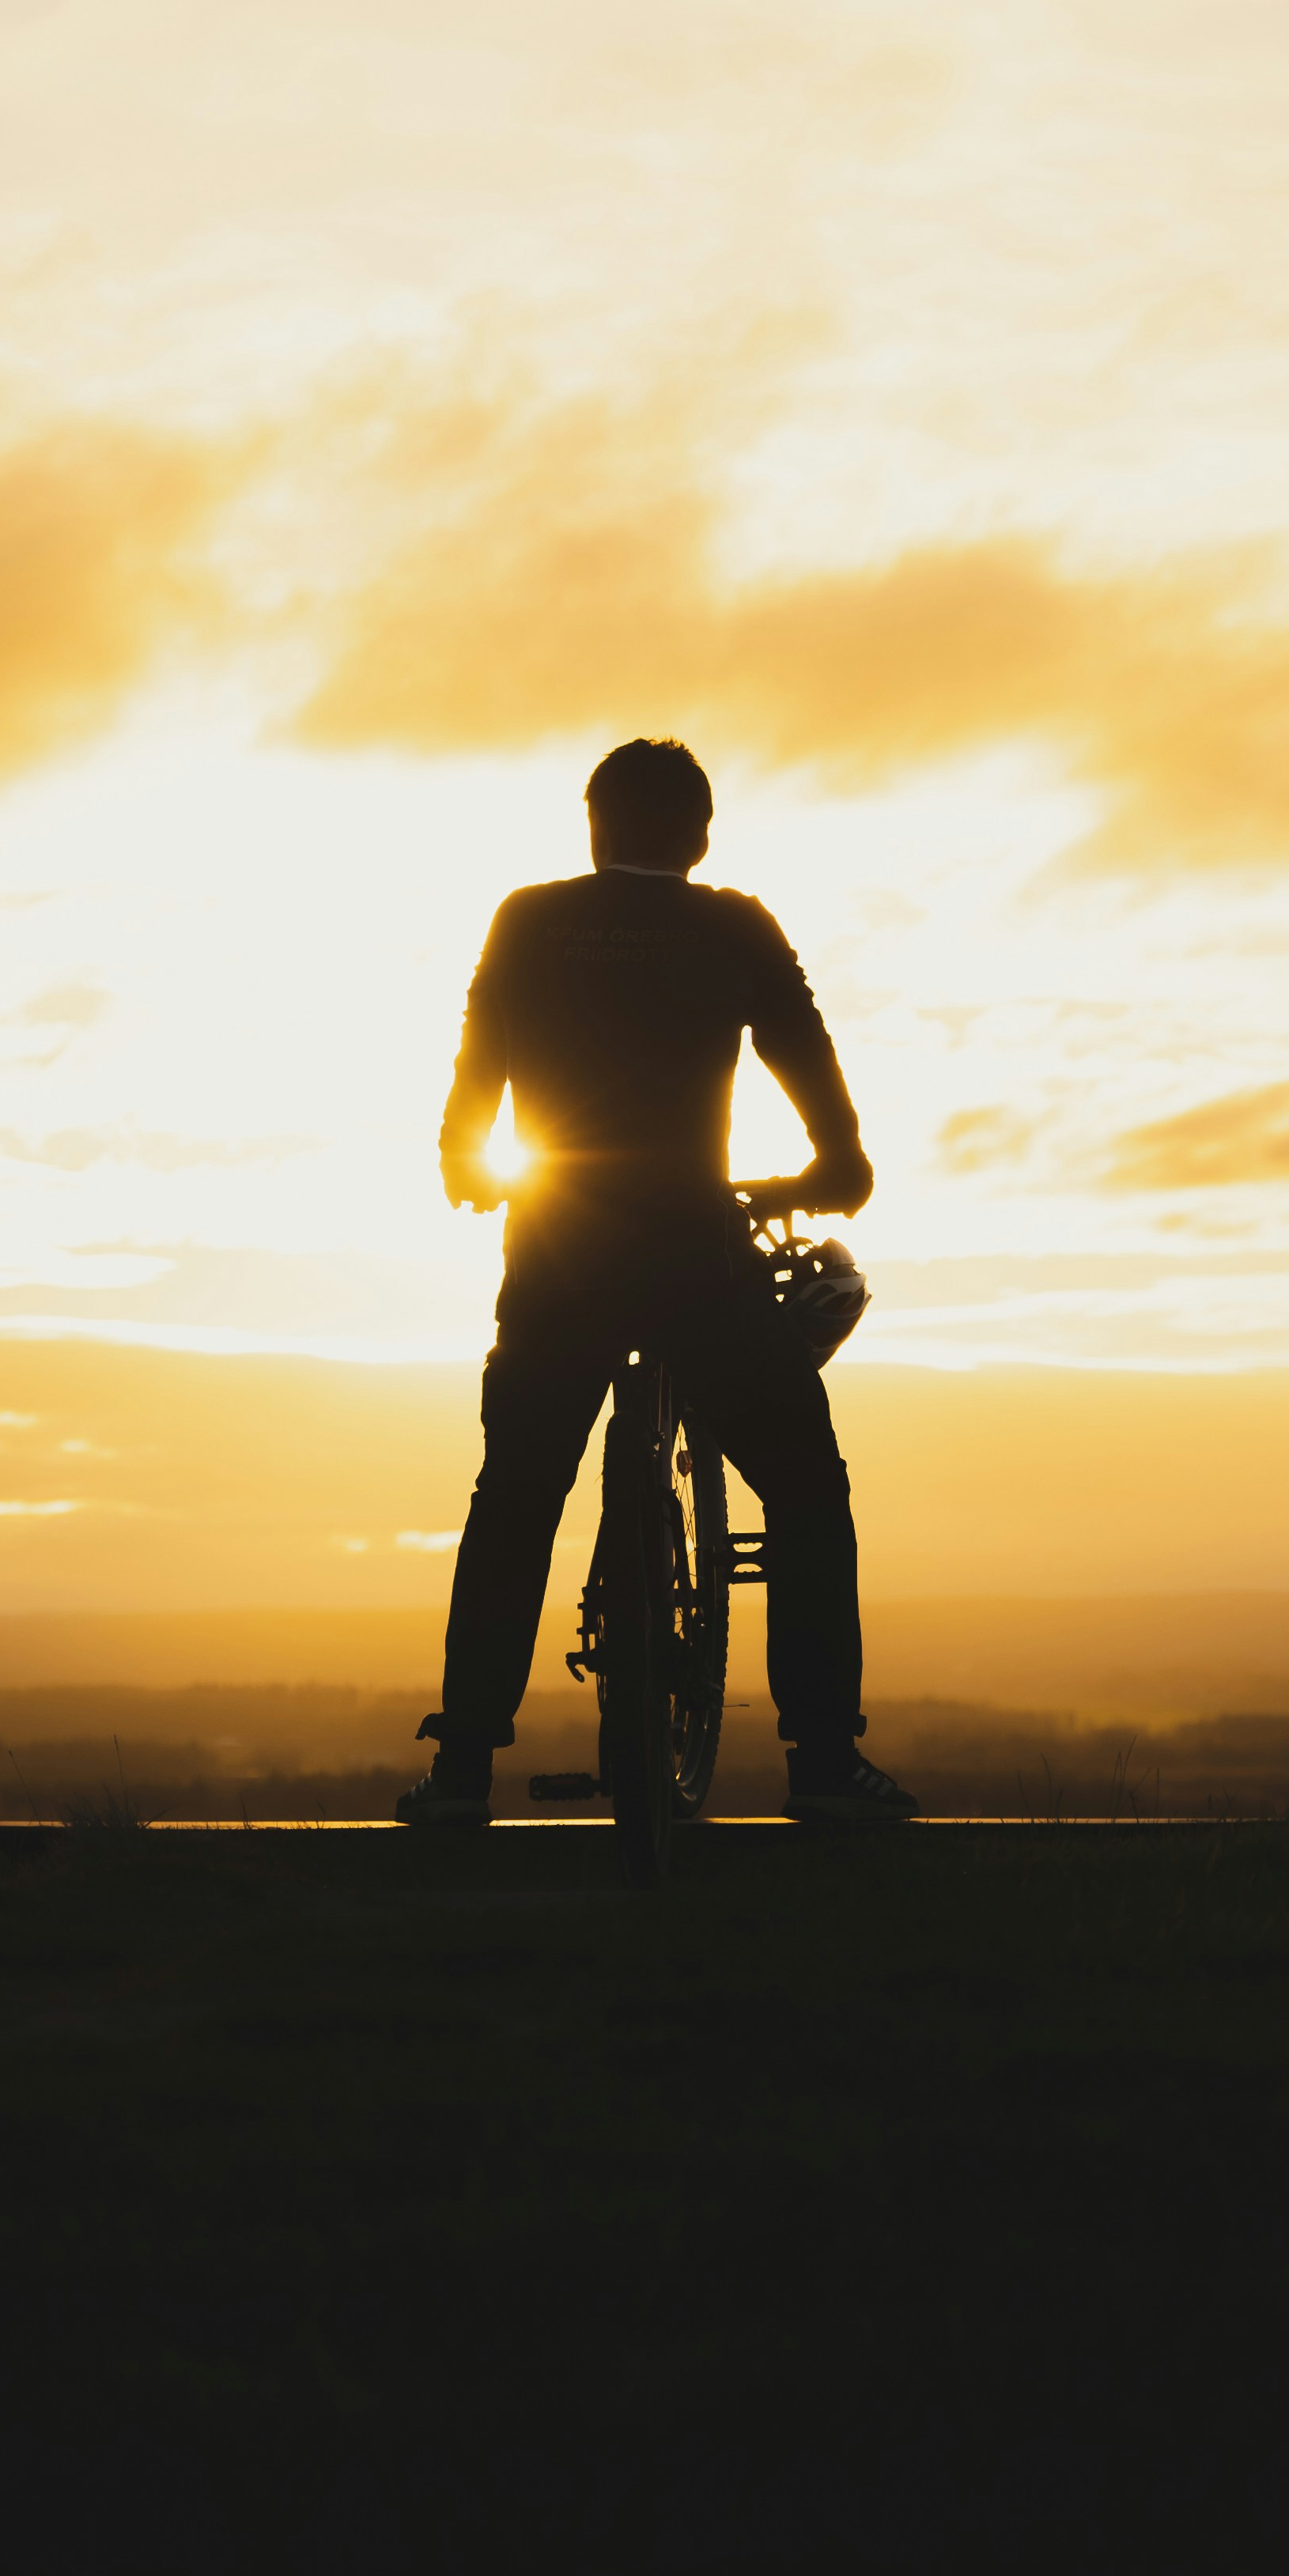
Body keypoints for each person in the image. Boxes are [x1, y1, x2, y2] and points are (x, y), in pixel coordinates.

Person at [398, 738, 918, 1832]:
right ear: (700, 836)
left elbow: (479, 1055)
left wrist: (463, 1161)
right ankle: (825, 1763)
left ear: (595, 826)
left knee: (515, 1500)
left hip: (559, 1253)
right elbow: (803, 1051)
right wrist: (838, 1165)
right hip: (694, 1257)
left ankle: (460, 1774)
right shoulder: (736, 926)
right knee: (805, 1490)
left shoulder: (528, 919)